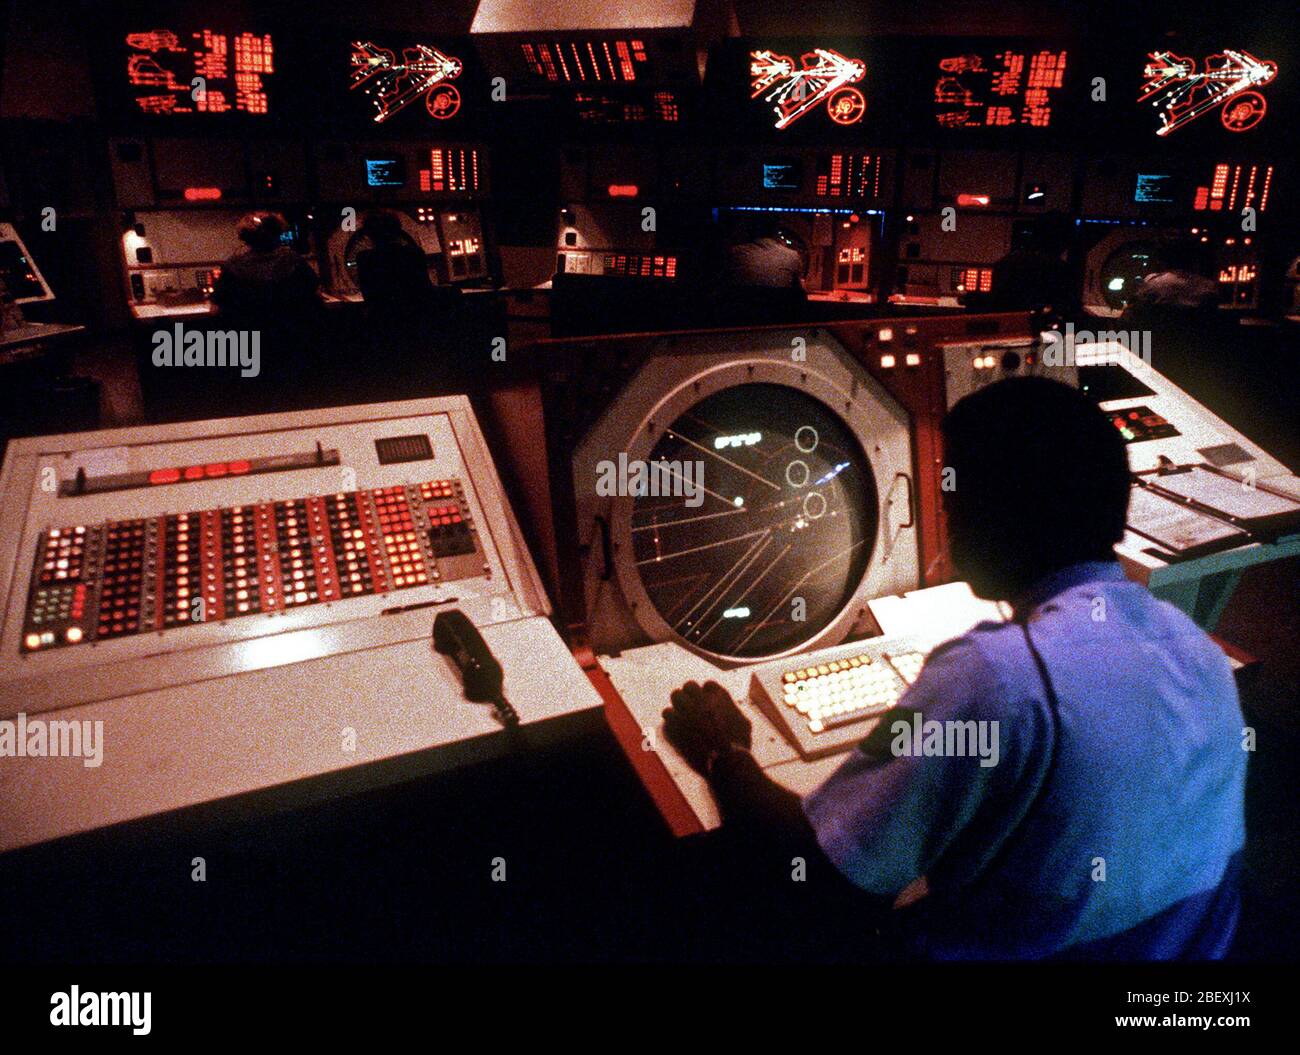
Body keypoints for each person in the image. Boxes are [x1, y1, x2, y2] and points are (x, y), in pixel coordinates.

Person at [663, 377, 1246, 960]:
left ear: (989, 517)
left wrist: (727, 755)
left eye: (954, 494)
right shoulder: (1197, 650)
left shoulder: (993, 676)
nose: (945, 512)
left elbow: (818, 879)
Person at [211, 211, 320, 324]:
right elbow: (315, 296)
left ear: (245, 237)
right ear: (278, 234)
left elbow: (216, 309)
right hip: (289, 332)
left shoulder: (233, 266)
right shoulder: (294, 261)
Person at [970, 214, 1074, 317]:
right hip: (1035, 327)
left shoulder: (1008, 261)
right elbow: (1065, 307)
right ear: (1059, 240)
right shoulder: (1057, 268)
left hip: (1005, 324)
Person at [353, 209, 436, 320]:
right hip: (415, 318)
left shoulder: (365, 259)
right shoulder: (414, 253)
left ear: (369, 234)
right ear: (398, 230)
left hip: (383, 321)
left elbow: (369, 297)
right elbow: (425, 289)